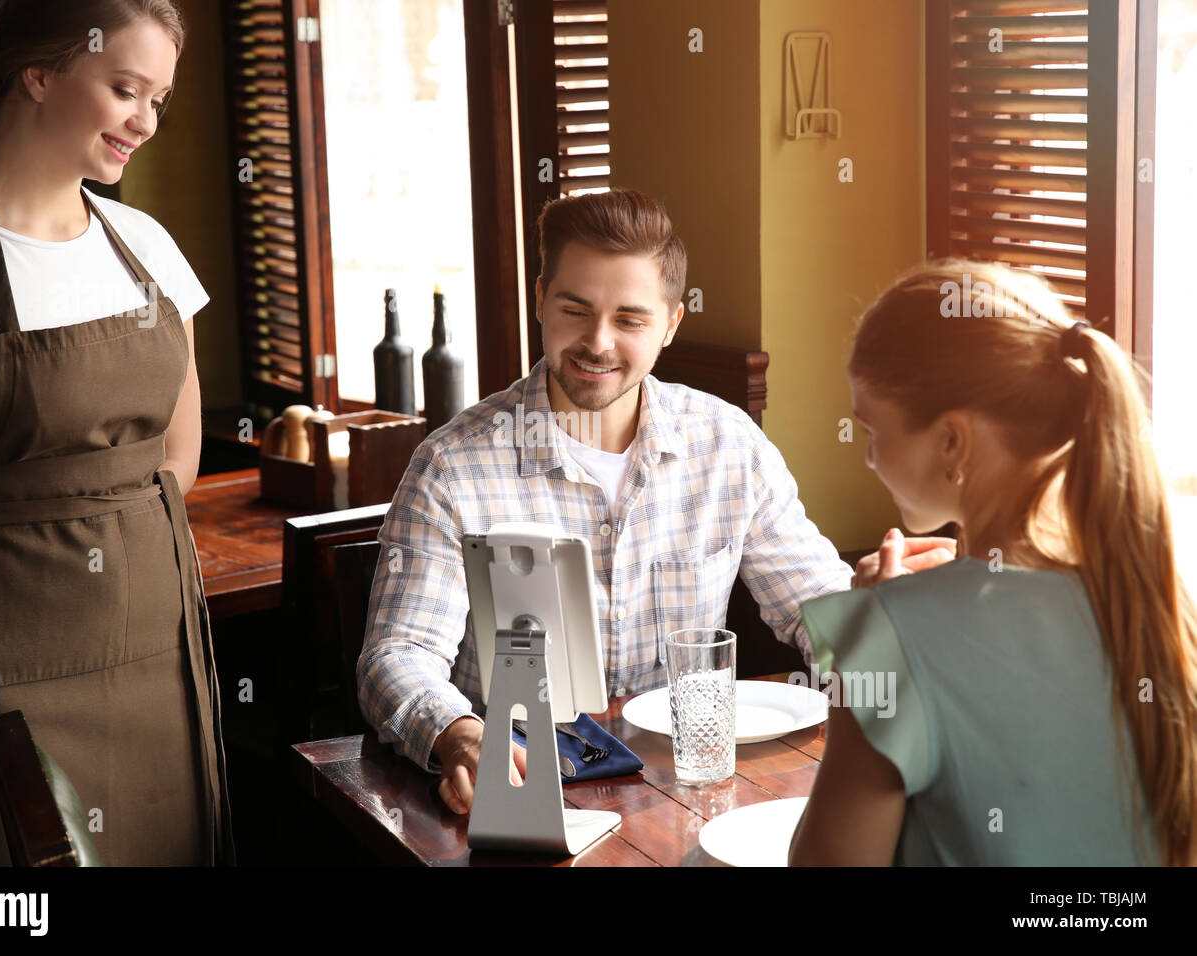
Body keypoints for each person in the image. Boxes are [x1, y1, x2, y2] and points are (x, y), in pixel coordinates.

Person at [357, 189, 945, 816]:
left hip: (689, 799)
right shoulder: (453, 466)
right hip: (528, 800)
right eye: (574, 310)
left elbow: (815, 613)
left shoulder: (727, 445)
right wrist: (462, 736)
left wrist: (882, 617)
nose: (598, 343)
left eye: (630, 320)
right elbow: (397, 657)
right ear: (539, 301)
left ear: (671, 323)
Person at [0, 0, 233, 865]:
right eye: (126, 88)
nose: (145, 121)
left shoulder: (146, 245)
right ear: (40, 75)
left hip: (158, 654)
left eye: (158, 99)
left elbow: (177, 456)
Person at [789, 260, 1197, 866]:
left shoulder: (885, 636)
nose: (869, 456)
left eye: (870, 427)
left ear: (952, 442)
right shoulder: (1160, 606)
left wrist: (874, 634)